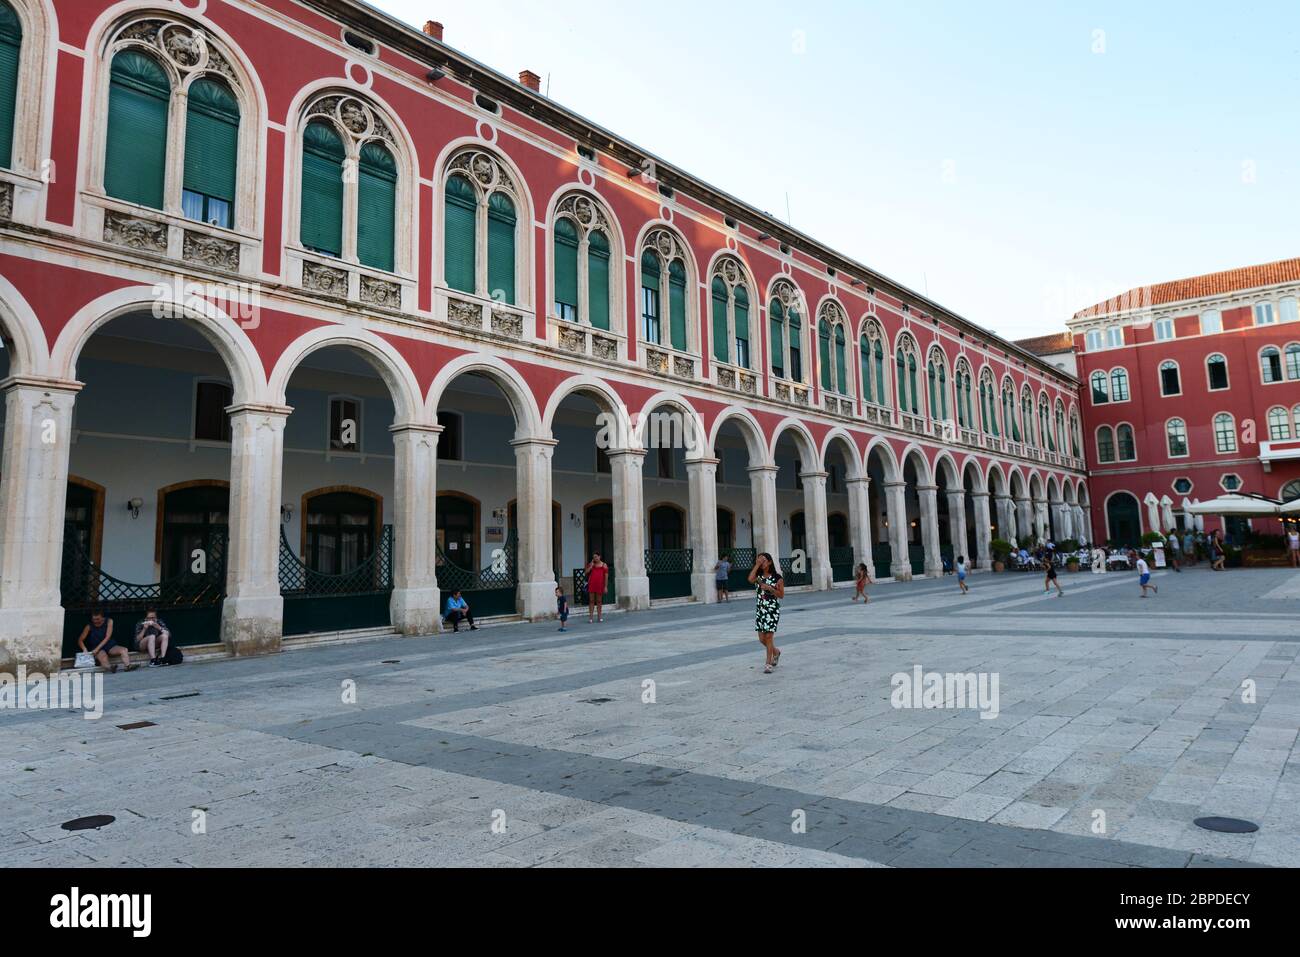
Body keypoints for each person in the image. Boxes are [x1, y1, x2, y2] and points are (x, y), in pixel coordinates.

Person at [747, 553, 785, 675]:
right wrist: (757, 565)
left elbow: (781, 595)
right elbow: (749, 579)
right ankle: (776, 652)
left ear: (769, 562)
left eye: (763, 560)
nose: (761, 562)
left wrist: (770, 588)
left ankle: (768, 664)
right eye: (759, 560)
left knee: (769, 637)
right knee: (762, 639)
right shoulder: (758, 577)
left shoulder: (777, 578)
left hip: (772, 610)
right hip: (760, 610)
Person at [584, 553, 609, 624]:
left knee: (599, 601)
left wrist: (605, 586)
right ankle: (591, 617)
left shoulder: (604, 565)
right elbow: (586, 572)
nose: (595, 558)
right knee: (591, 601)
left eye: (596, 557)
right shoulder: (592, 564)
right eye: (594, 557)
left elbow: (606, 576)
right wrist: (590, 566)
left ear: (599, 557)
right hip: (592, 584)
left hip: (600, 585)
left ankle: (599, 616)